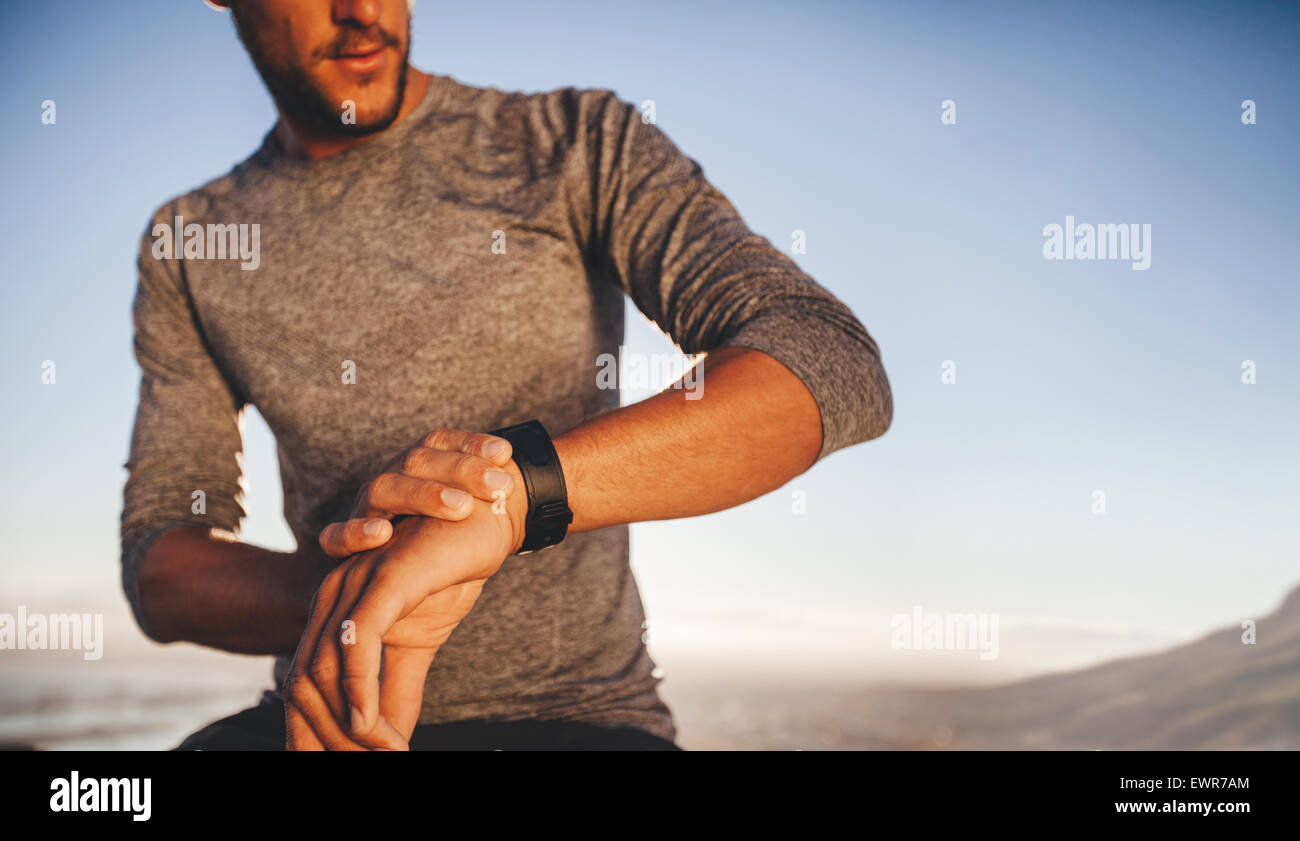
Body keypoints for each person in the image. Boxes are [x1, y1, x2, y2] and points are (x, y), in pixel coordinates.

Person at [122, 0, 893, 750]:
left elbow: (828, 357)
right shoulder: (192, 241)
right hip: (326, 719)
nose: (363, 11)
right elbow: (162, 562)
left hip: (576, 722)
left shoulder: (575, 141)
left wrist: (513, 499)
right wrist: (369, 593)